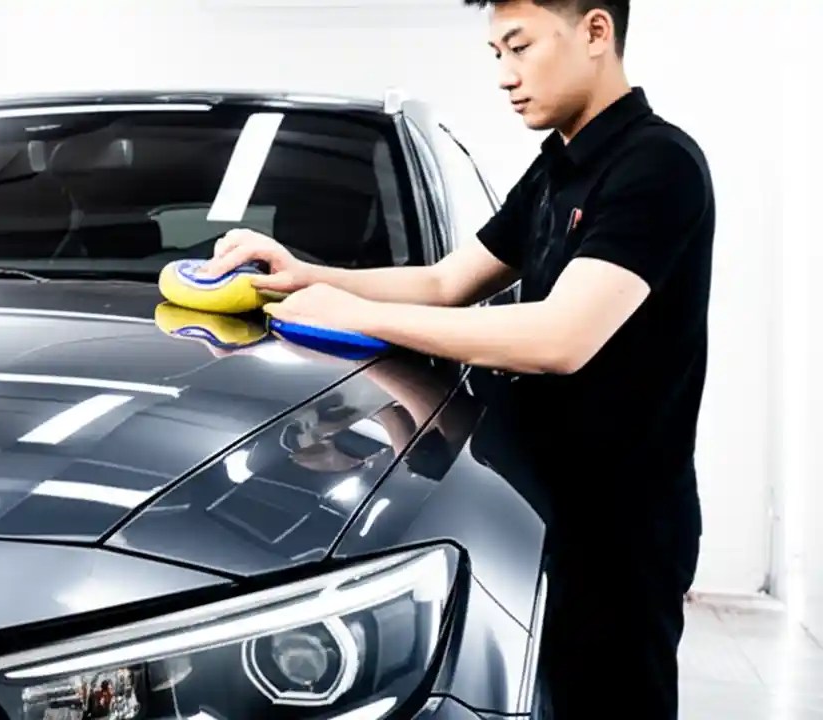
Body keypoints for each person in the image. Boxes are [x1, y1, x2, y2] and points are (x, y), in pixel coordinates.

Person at [198, 0, 713, 717]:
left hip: (621, 526)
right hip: (544, 506)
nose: (504, 75)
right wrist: (307, 274)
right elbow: (447, 281)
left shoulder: (658, 165)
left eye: (519, 46)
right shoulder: (555, 170)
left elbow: (559, 340)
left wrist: (356, 316)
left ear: (596, 32)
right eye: (495, 53)